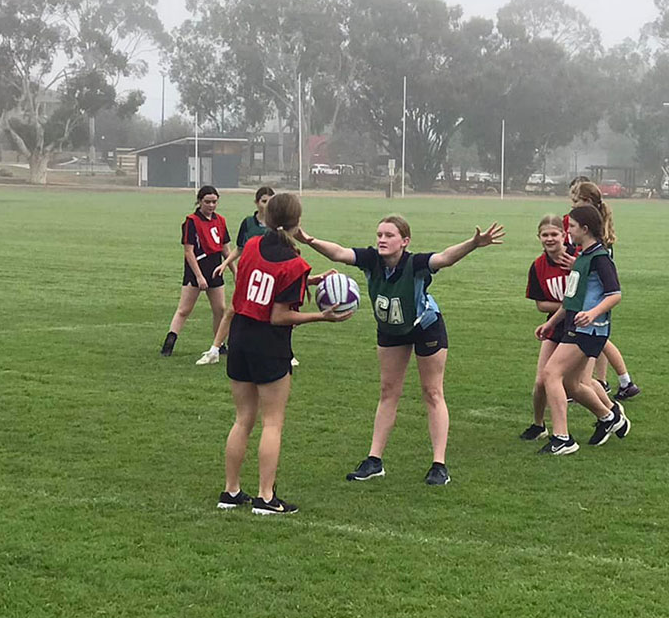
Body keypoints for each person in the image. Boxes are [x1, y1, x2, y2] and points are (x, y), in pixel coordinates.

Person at [297, 215, 505, 485]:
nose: (382, 239)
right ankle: (374, 461)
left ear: (405, 241)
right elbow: (338, 253)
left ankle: (439, 465)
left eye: (389, 235)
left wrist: (474, 243)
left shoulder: (415, 264)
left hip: (425, 327)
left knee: (432, 392)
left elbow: (444, 258)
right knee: (388, 391)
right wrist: (309, 240)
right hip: (390, 329)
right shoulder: (371, 260)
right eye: (379, 234)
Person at [218, 193, 352, 515]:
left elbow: (259, 287)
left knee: (242, 419)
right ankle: (266, 497)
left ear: (266, 217)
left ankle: (231, 491)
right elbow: (278, 315)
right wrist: (321, 317)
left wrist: (313, 279)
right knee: (272, 422)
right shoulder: (295, 263)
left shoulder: (250, 246)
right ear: (298, 221)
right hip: (269, 344)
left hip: (239, 337)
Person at [535, 206, 631, 455]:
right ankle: (609, 417)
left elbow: (615, 295)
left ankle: (562, 438)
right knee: (572, 383)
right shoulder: (583, 257)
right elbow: (572, 299)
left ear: (585, 229)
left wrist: (593, 313)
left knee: (550, 374)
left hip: (590, 330)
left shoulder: (600, 258)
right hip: (575, 326)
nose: (569, 232)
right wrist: (551, 323)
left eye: (572, 227)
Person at [568, 181, 641, 401]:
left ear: (587, 202)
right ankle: (613, 382)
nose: (572, 205)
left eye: (576, 201)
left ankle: (591, 387)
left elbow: (604, 277)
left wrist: (575, 264)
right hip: (594, 300)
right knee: (599, 341)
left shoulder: (594, 236)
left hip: (595, 300)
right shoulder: (598, 227)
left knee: (594, 340)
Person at [197, 186, 274, 365]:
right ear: (256, 202)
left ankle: (287, 353)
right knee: (232, 310)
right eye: (264, 201)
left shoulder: (277, 226)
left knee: (274, 314)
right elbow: (239, 248)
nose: (267, 205)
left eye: (271, 201)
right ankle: (215, 350)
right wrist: (225, 264)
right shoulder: (248, 223)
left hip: (270, 275)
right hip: (249, 274)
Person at [161, 186, 231, 356]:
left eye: (214, 202)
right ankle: (169, 343)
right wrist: (199, 276)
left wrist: (235, 271)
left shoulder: (220, 221)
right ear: (199, 201)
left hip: (215, 269)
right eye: (207, 202)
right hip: (197, 270)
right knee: (184, 309)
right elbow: (188, 251)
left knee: (220, 309)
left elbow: (226, 250)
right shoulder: (191, 222)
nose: (211, 205)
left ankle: (219, 344)